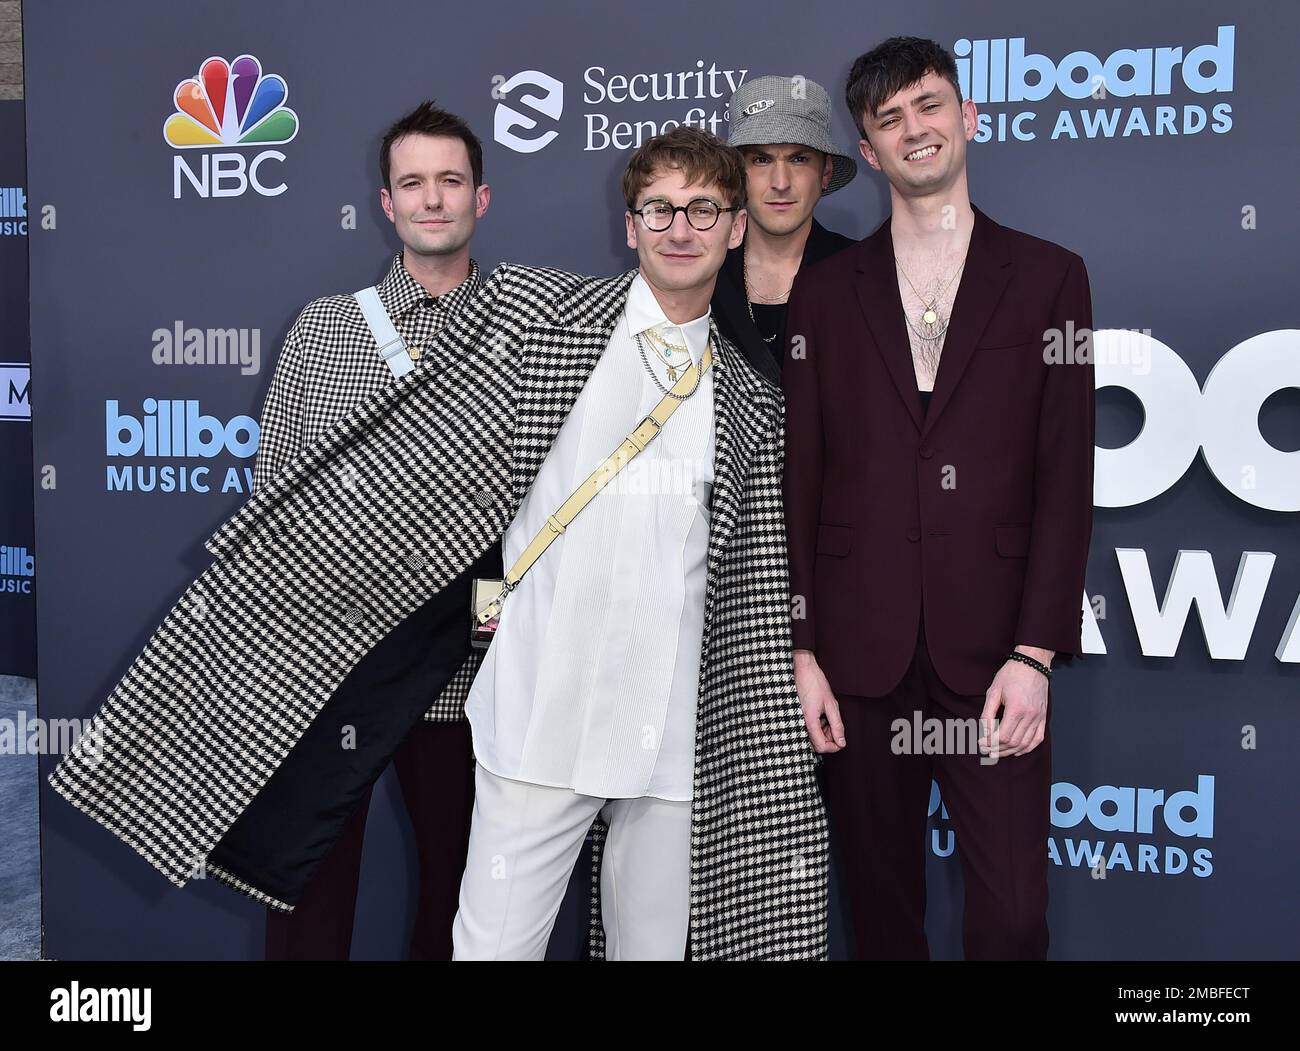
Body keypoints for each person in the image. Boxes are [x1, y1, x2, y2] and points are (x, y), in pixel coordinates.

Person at [50, 127, 828, 961]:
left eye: (705, 209)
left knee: (654, 951)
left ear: (737, 228)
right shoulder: (544, 322)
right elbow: (423, 459)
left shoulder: (753, 399)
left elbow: (751, 579)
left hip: (667, 733)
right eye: (661, 209)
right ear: (630, 223)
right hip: (536, 718)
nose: (682, 228)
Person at [783, 36, 1095, 959]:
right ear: (869, 154)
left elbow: (1066, 475)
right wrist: (804, 647)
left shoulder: (1050, 277)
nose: (914, 129)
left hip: (994, 656)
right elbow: (804, 477)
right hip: (858, 656)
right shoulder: (826, 295)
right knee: (883, 921)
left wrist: (1035, 652)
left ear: (968, 118)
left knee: (1010, 918)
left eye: (929, 106)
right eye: (890, 120)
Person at [249, 101, 499, 960]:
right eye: (413, 183)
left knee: (461, 891)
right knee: (307, 892)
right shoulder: (325, 331)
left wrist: (491, 612)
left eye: (451, 181)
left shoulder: (526, 335)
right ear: (386, 204)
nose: (434, 200)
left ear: (482, 198)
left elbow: (545, 510)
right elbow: (272, 498)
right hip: (334, 671)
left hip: (461, 673)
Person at [710, 74, 857, 380]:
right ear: (737, 173)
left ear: (825, 172)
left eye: (799, 159)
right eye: (761, 160)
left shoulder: (863, 274)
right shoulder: (703, 270)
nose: (780, 183)